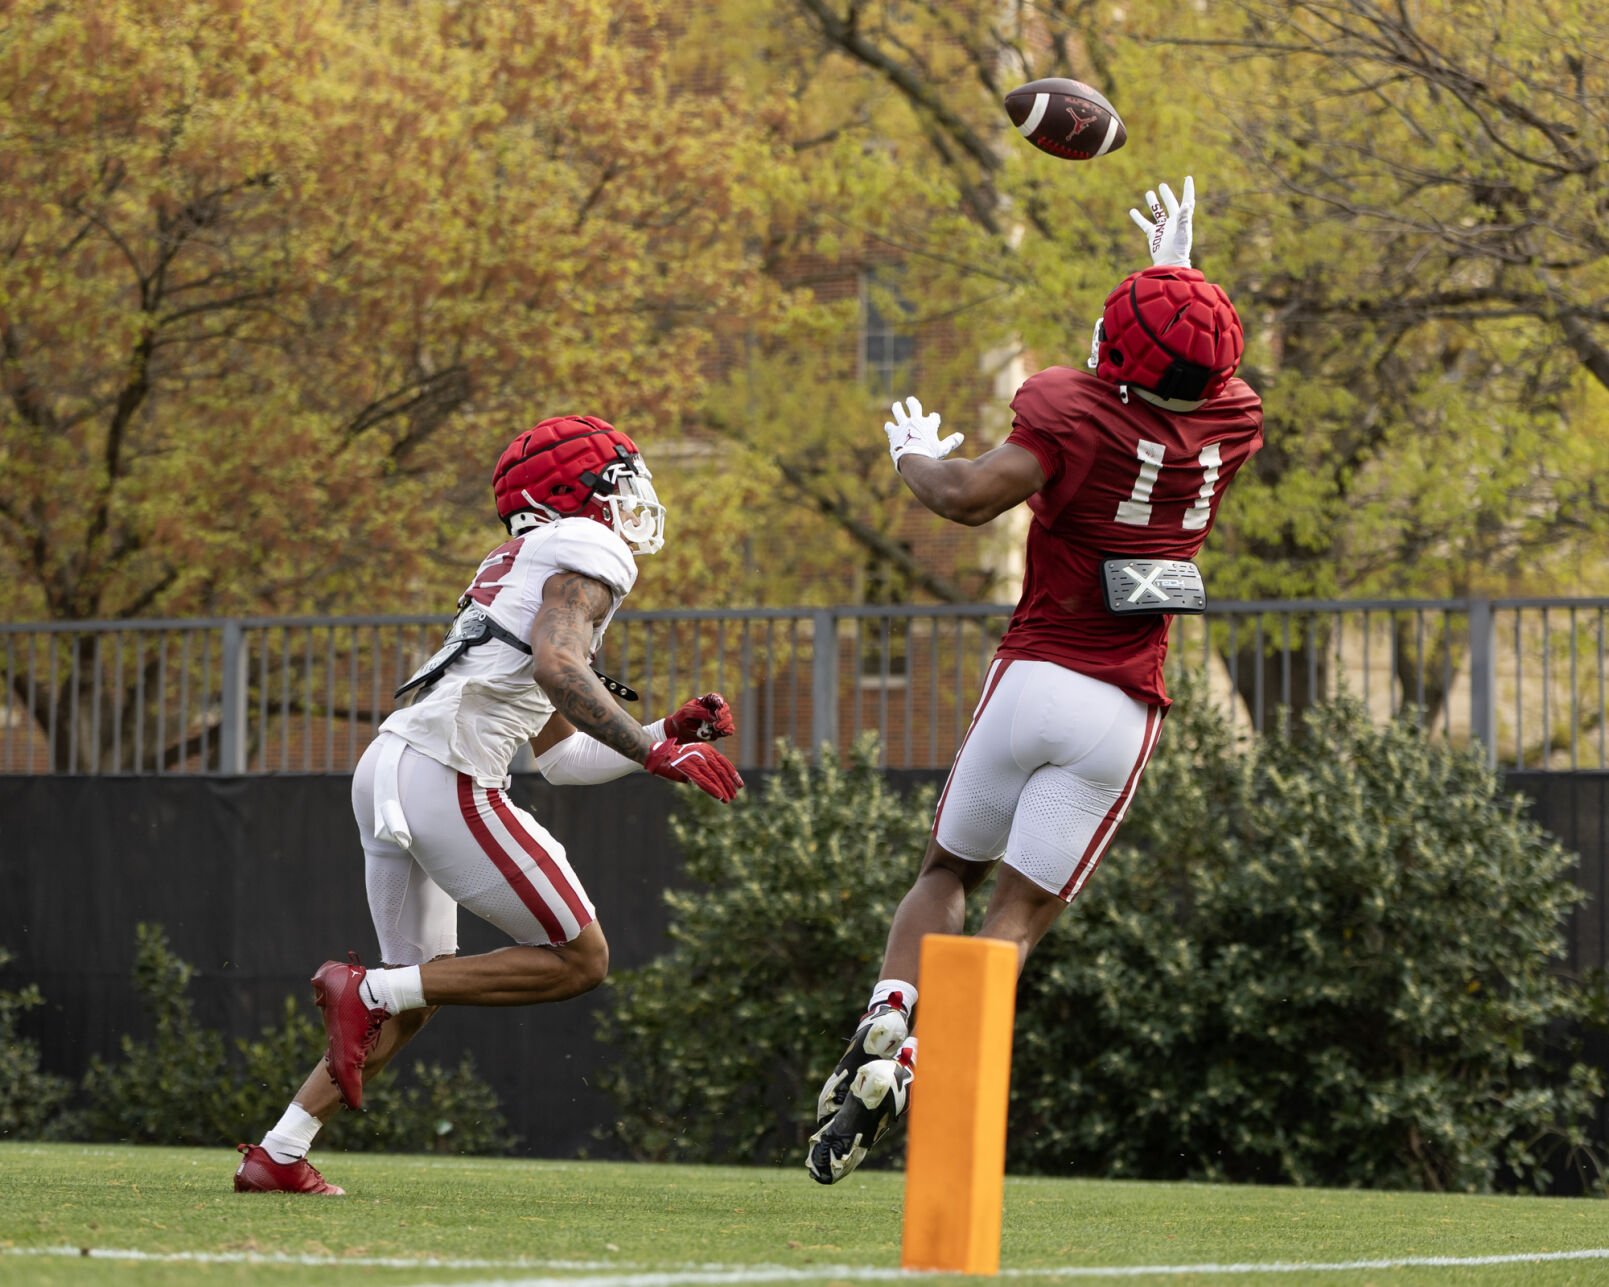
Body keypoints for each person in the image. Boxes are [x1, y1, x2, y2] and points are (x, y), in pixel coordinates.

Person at [806, 177, 1265, 1184]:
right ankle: (925, 1059)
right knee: (1017, 919)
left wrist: (916, 456)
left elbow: (968, 497)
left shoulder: (1070, 407)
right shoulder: (1235, 421)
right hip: (1120, 705)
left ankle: (888, 1014)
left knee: (944, 874)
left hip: (1033, 677)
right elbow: (1190, 379)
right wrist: (1177, 276)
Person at [235, 415, 744, 1195]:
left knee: (425, 985)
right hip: (446, 776)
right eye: (618, 481)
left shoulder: (518, 565)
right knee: (579, 958)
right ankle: (364, 988)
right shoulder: (584, 547)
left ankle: (281, 1148)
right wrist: (655, 753)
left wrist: (658, 732)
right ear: (577, 495)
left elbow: (563, 758)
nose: (632, 498)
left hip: (389, 768)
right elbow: (555, 662)